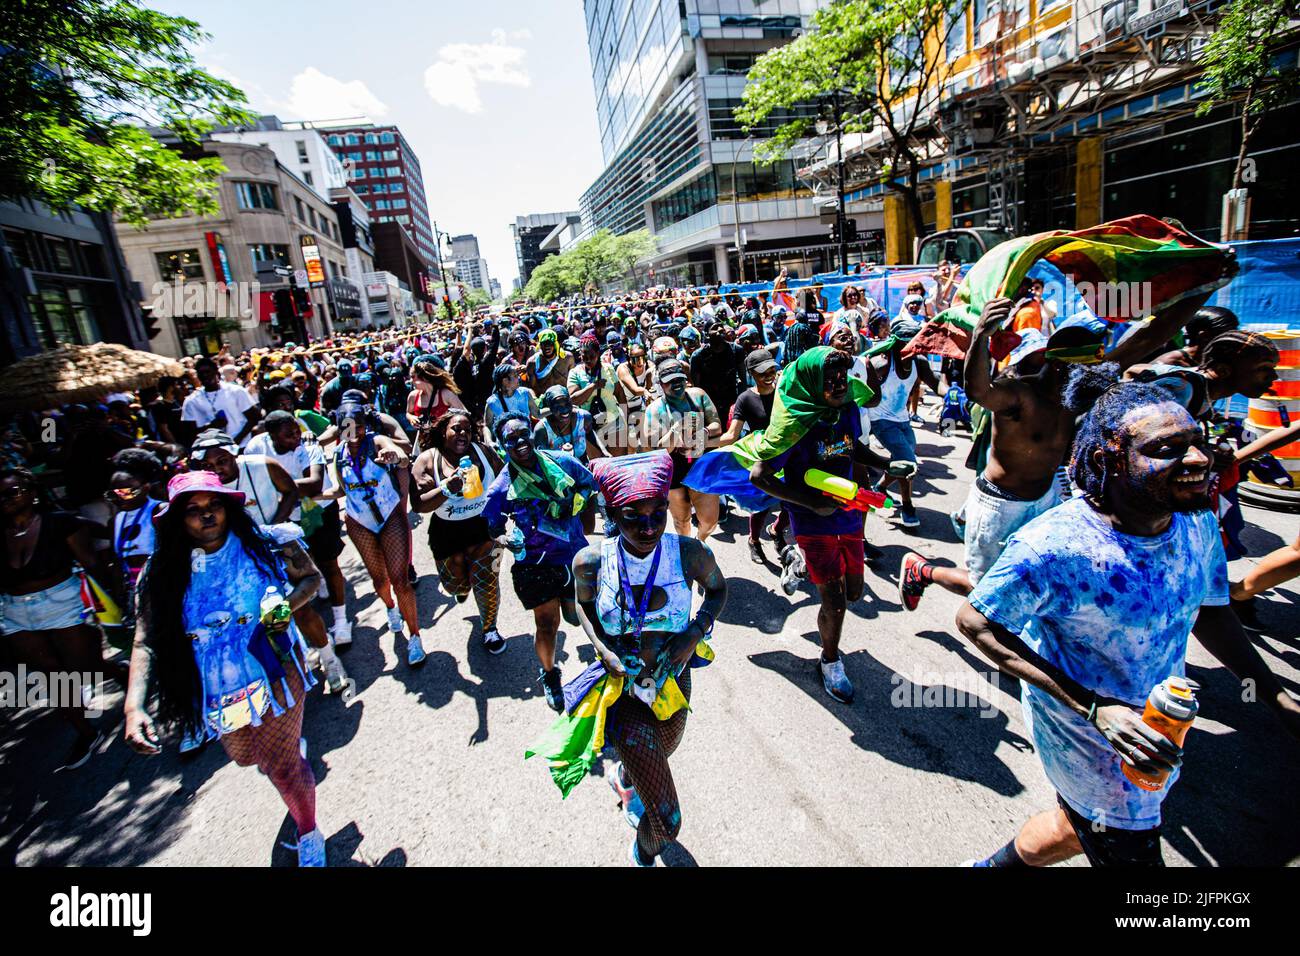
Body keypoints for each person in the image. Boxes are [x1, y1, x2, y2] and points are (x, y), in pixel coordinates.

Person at [957, 383, 1300, 867]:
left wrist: (1276, 696)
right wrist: (1096, 709)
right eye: (1167, 450)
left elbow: (1212, 608)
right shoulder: (1053, 547)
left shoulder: (1194, 518)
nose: (1199, 459)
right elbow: (977, 622)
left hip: (1158, 726)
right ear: (1108, 460)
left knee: (1075, 827)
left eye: (1198, 441)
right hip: (1088, 738)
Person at [900, 295, 1212, 611]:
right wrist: (981, 333)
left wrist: (1205, 285)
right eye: (1086, 372)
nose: (1095, 379)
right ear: (1062, 367)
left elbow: (1144, 340)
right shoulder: (1021, 394)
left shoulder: (1075, 391)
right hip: (1000, 505)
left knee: (1040, 580)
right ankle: (924, 570)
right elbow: (979, 390)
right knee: (984, 588)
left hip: (1047, 498)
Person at [122, 471, 329, 867]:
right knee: (248, 757)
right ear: (177, 519)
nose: (206, 516)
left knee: (284, 769)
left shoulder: (270, 544)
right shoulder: (160, 573)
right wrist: (134, 706)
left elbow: (311, 579)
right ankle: (289, 755)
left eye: (214, 505)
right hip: (216, 688)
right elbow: (145, 639)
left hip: (274, 671)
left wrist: (285, 607)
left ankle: (308, 832)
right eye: (194, 510)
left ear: (228, 508)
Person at [560, 451, 727, 866]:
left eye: (658, 513)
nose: (650, 526)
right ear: (613, 513)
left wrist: (694, 630)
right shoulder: (592, 561)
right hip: (623, 692)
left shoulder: (688, 554)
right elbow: (582, 607)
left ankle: (627, 777)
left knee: (661, 754)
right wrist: (604, 650)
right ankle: (643, 852)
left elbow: (718, 590)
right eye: (634, 516)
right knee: (666, 821)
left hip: (674, 684)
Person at [748, 348, 876, 703]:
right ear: (811, 382)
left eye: (842, 378)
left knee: (853, 593)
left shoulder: (847, 408)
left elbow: (852, 448)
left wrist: (885, 462)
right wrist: (811, 503)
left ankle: (799, 562)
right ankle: (830, 660)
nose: (839, 385)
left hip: (849, 514)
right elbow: (759, 476)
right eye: (830, 380)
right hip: (812, 522)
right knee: (835, 603)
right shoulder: (796, 423)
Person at [1, 465, 119, 770]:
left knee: (83, 668)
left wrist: (118, 603)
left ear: (32, 493)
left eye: (12, 491)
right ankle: (85, 732)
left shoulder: (60, 524)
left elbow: (91, 562)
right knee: (52, 675)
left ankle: (120, 673)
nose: (6, 498)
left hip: (62, 602)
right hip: (14, 612)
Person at [482, 413, 596, 711]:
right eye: (511, 439)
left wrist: (574, 504)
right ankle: (549, 674)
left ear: (533, 434)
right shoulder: (501, 488)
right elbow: (493, 528)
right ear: (501, 445)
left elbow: (590, 483)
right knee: (547, 624)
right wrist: (507, 540)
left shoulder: (562, 462)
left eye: (524, 434)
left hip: (573, 555)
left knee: (577, 617)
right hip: (534, 565)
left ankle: (604, 657)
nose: (519, 442)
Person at [243, 410, 352, 693]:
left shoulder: (308, 444)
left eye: (295, 430)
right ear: (271, 436)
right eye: (287, 433)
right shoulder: (255, 450)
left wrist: (276, 492)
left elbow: (314, 483)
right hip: (284, 526)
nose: (295, 436)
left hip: (318, 513)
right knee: (294, 599)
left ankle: (339, 626)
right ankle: (307, 652)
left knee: (327, 566)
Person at [321, 402, 424, 666]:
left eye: (357, 425)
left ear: (364, 425)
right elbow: (340, 490)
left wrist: (394, 457)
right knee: (379, 580)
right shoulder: (338, 455)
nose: (353, 431)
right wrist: (310, 495)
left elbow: (398, 455)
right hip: (359, 521)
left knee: (400, 579)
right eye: (346, 426)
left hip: (389, 515)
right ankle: (390, 608)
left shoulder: (375, 441)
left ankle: (414, 637)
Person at [411, 409, 505, 654]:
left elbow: (506, 475)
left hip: (486, 529)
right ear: (444, 431)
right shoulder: (428, 459)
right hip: (447, 534)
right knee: (456, 586)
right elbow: (419, 504)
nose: (463, 433)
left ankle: (490, 630)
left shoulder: (483, 452)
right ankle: (462, 588)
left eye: (468, 429)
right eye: (456, 428)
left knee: (486, 581)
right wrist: (446, 488)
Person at [868, 316, 941, 528]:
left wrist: (955, 394)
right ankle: (907, 506)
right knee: (908, 462)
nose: (914, 346)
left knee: (905, 459)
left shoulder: (919, 362)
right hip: (879, 419)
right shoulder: (881, 363)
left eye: (916, 342)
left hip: (902, 419)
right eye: (908, 342)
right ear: (897, 342)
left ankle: (880, 487)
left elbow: (937, 385)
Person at [645, 359, 722, 542]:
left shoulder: (698, 395)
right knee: (681, 521)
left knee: (710, 521)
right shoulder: (654, 410)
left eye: (679, 378)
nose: (676, 384)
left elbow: (717, 426)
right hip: (673, 469)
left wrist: (700, 434)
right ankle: (687, 548)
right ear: (661, 384)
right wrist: (677, 428)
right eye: (670, 381)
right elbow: (656, 447)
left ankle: (700, 541)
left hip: (701, 463)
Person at [719, 348, 782, 564]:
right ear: (751, 374)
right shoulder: (745, 398)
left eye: (772, 369)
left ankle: (776, 530)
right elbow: (731, 435)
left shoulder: (784, 390)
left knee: (794, 505)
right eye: (762, 372)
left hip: (789, 456)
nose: (769, 375)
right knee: (762, 506)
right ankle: (754, 541)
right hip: (763, 460)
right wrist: (700, 443)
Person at [182, 357, 260, 449]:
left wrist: (236, 440)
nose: (205, 376)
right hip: (213, 452)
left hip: (243, 446)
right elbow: (189, 432)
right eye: (201, 373)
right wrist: (212, 426)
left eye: (208, 372)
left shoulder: (235, 391)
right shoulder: (191, 401)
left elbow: (254, 417)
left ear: (216, 372)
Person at [568, 334, 623, 455]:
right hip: (589, 428)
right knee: (598, 465)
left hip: (613, 423)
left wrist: (629, 419)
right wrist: (593, 386)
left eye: (591, 356)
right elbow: (574, 399)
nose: (588, 360)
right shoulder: (574, 373)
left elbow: (620, 394)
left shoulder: (608, 369)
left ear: (598, 353)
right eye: (584, 356)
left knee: (618, 462)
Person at [689, 322, 744, 422]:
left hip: (731, 400)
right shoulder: (698, 356)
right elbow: (696, 386)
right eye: (715, 327)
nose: (720, 329)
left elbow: (742, 378)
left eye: (721, 327)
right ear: (707, 334)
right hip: (709, 403)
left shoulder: (736, 350)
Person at [484, 363, 539, 449]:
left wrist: (553, 409)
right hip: (507, 447)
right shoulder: (493, 402)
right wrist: (489, 442)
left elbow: (537, 414)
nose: (519, 378)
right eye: (516, 376)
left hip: (526, 442)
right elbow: (487, 426)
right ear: (505, 381)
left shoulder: (525, 394)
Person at [523, 329, 574, 396]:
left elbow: (573, 382)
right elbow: (532, 388)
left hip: (564, 399)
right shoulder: (532, 363)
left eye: (550, 343)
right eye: (544, 343)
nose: (547, 346)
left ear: (555, 344)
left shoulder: (568, 358)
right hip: (544, 401)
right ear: (540, 345)